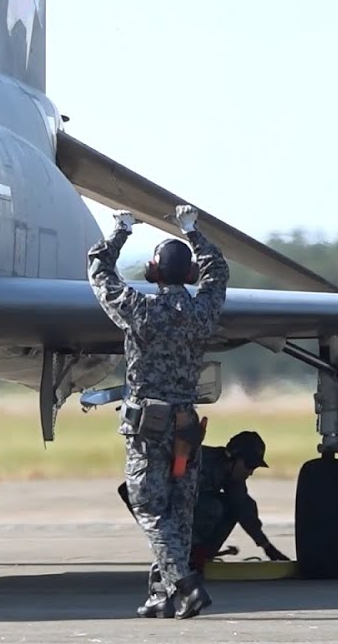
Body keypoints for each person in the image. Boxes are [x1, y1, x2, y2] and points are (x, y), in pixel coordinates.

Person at [87, 204, 229, 619]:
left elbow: (98, 269)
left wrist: (120, 232)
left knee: (149, 508)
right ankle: (161, 594)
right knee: (178, 513)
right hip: (186, 427)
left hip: (148, 428)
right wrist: (194, 231)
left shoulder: (140, 310)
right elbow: (218, 272)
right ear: (188, 275)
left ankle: (185, 586)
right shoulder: (202, 313)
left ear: (154, 272)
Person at [189, 431, 290, 571]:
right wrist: (195, 543)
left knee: (237, 506)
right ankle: (190, 552)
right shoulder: (197, 465)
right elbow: (177, 507)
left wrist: (267, 547)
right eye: (249, 465)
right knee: (213, 507)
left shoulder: (232, 475)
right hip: (164, 509)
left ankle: (202, 554)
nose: (251, 472)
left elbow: (243, 507)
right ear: (232, 457)